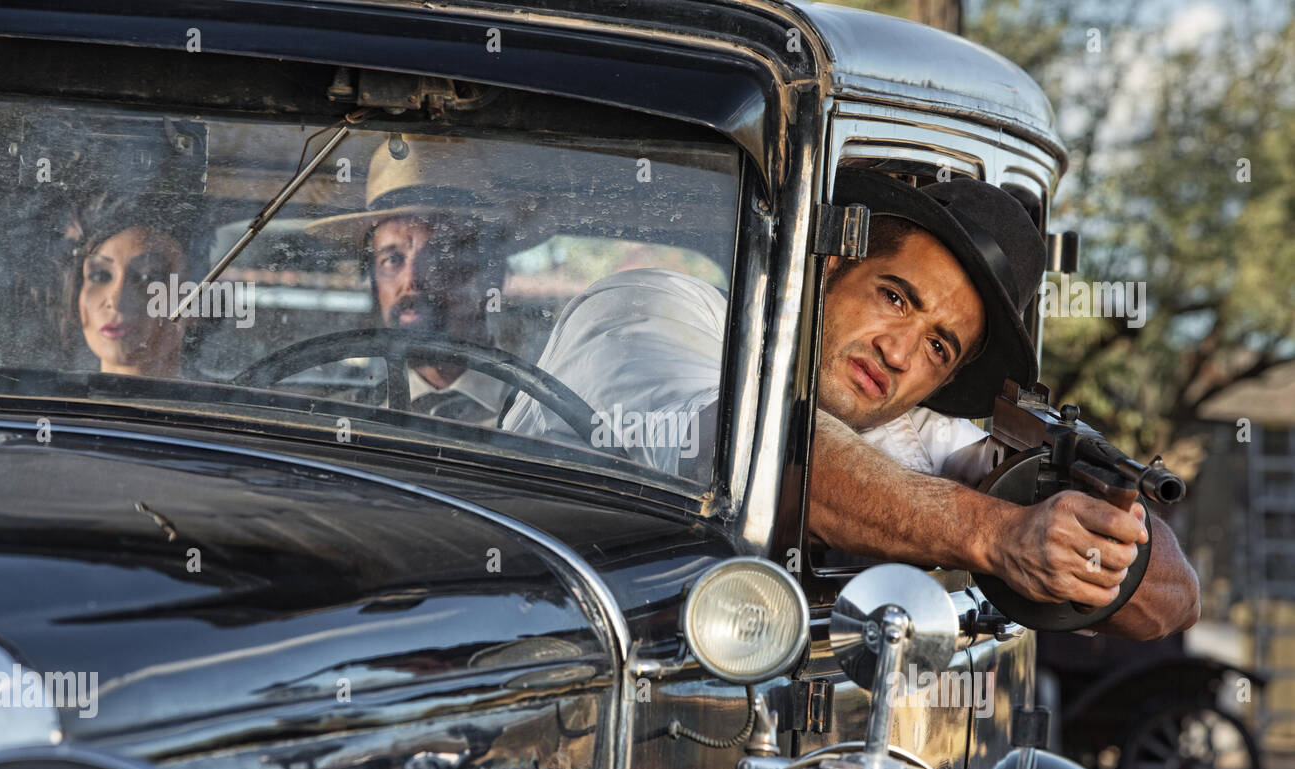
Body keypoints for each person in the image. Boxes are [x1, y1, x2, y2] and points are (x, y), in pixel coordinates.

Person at [505, 169, 1201, 641]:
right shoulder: (657, 307)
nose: (899, 353)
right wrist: (992, 533)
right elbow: (751, 446)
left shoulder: (906, 429)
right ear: (830, 268)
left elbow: (1173, 600)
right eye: (894, 298)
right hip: (524, 628)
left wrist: (1093, 536)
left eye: (938, 348)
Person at [306, 135, 509, 425]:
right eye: (392, 260)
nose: (412, 281)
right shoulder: (342, 420)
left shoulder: (539, 420)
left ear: (491, 276)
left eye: (439, 257)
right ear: (375, 285)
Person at [61, 195, 189, 378]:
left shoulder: (230, 404)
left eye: (150, 278)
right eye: (100, 276)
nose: (118, 301)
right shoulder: (42, 403)